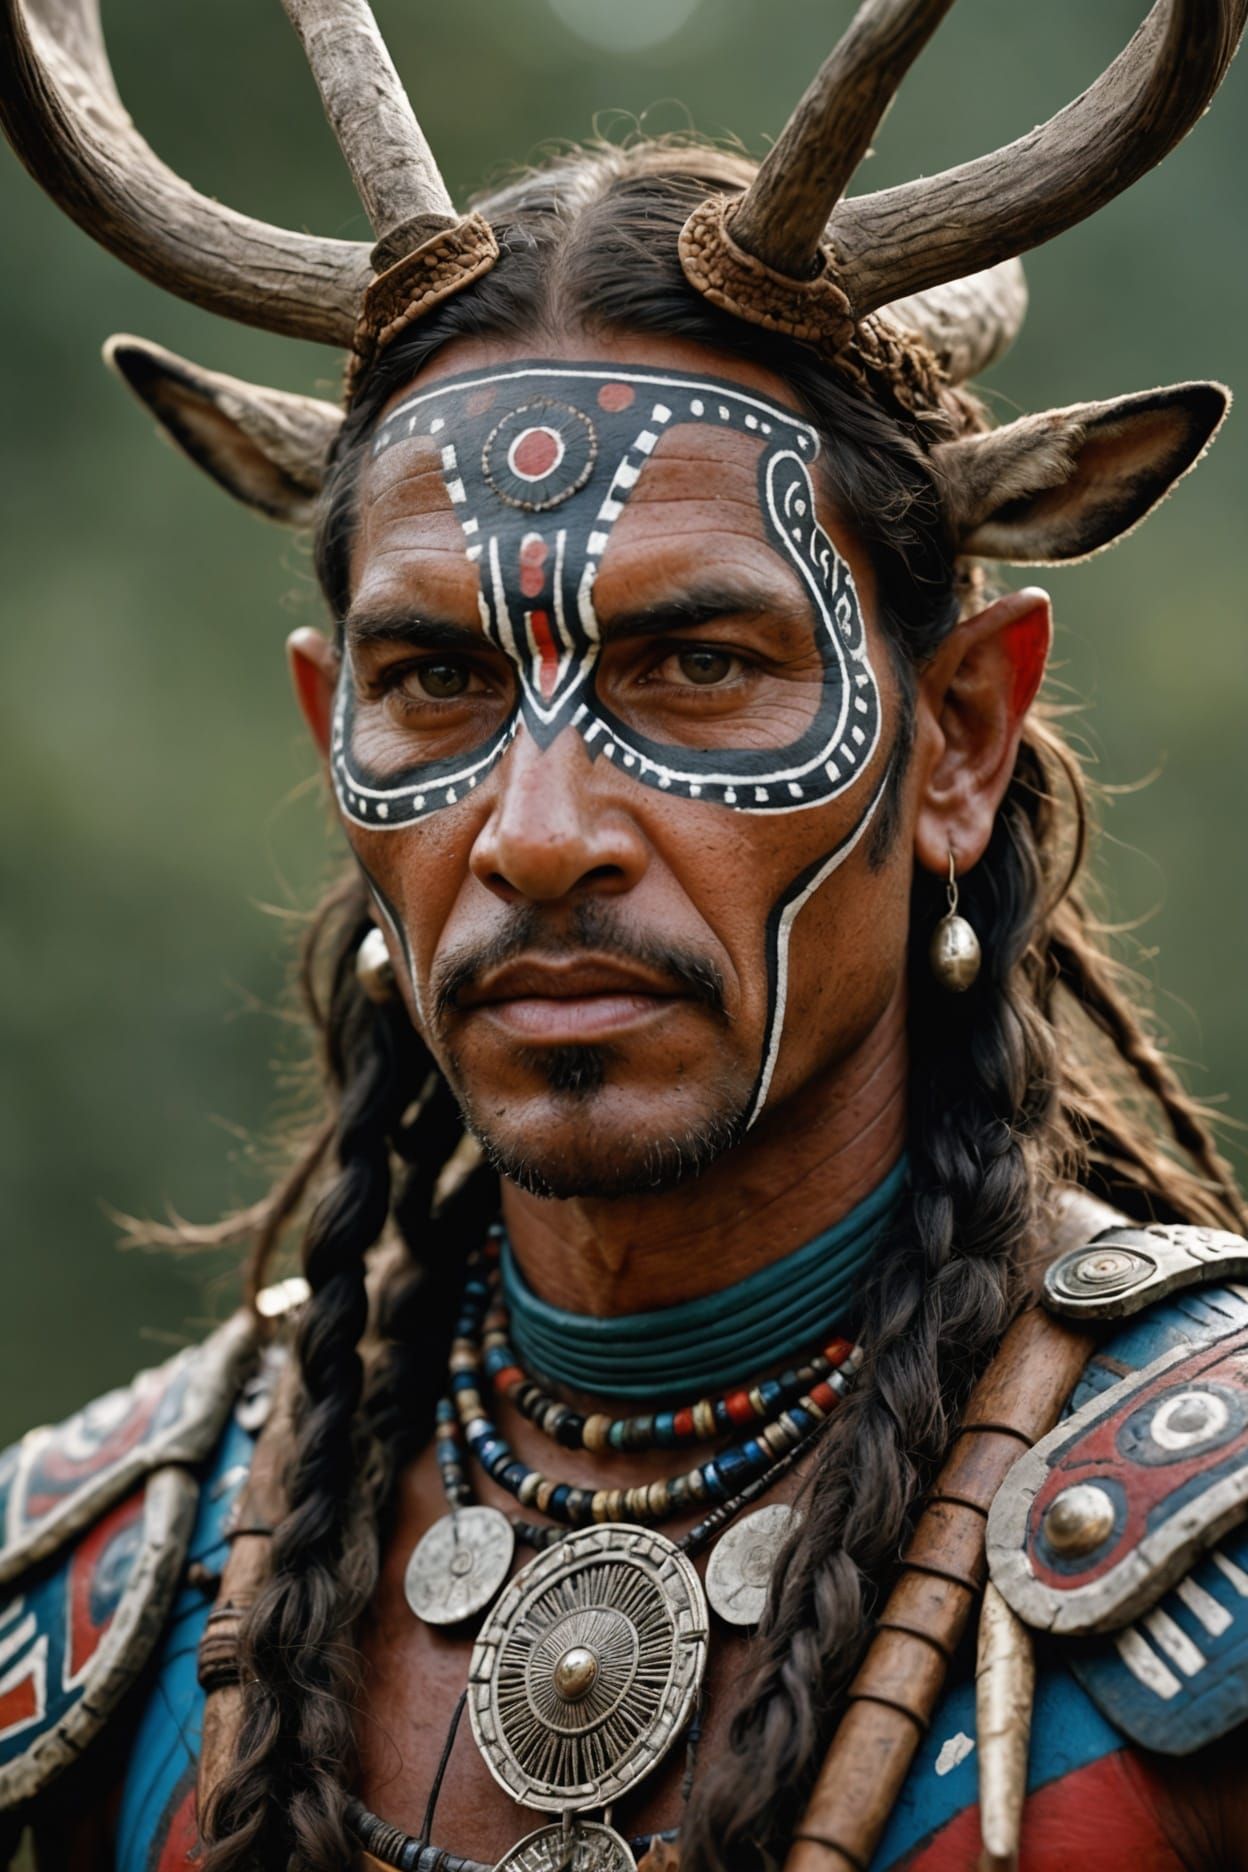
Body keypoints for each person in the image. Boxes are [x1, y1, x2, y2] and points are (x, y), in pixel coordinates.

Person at [2, 3, 1247, 1869]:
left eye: (697, 663)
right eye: (432, 679)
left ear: (959, 741)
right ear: (325, 728)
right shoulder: (103, 1572)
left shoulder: (1207, 1524)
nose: (541, 834)